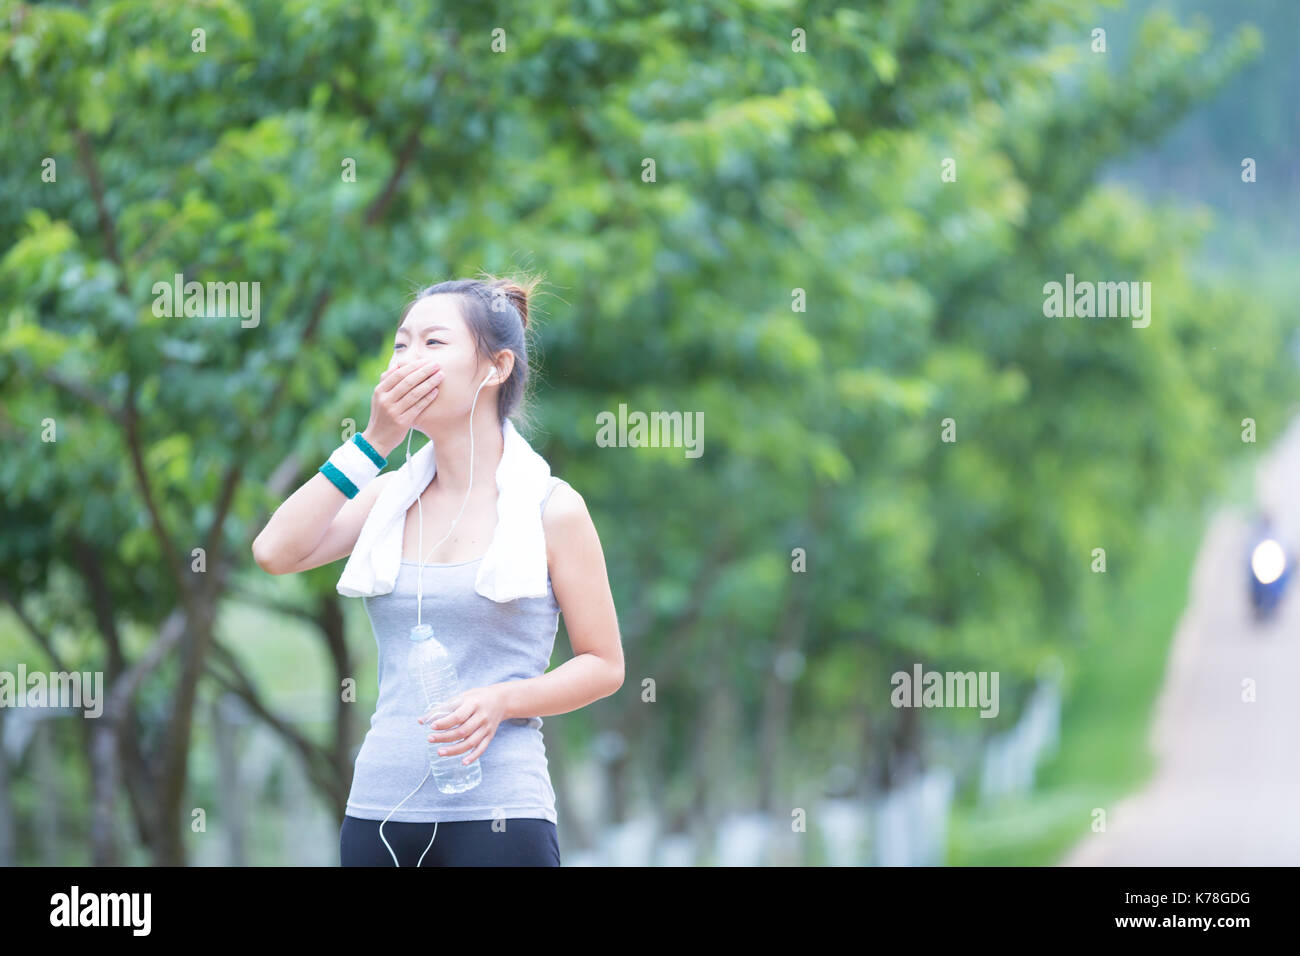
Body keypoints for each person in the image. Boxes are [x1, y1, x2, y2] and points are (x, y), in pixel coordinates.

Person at [251, 274, 624, 866]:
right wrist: (374, 441)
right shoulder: (387, 498)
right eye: (401, 345)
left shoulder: (551, 507)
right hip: (378, 812)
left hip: (499, 815)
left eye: (433, 343)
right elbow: (276, 551)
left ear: (495, 368)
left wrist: (505, 700)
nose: (408, 360)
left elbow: (604, 665)